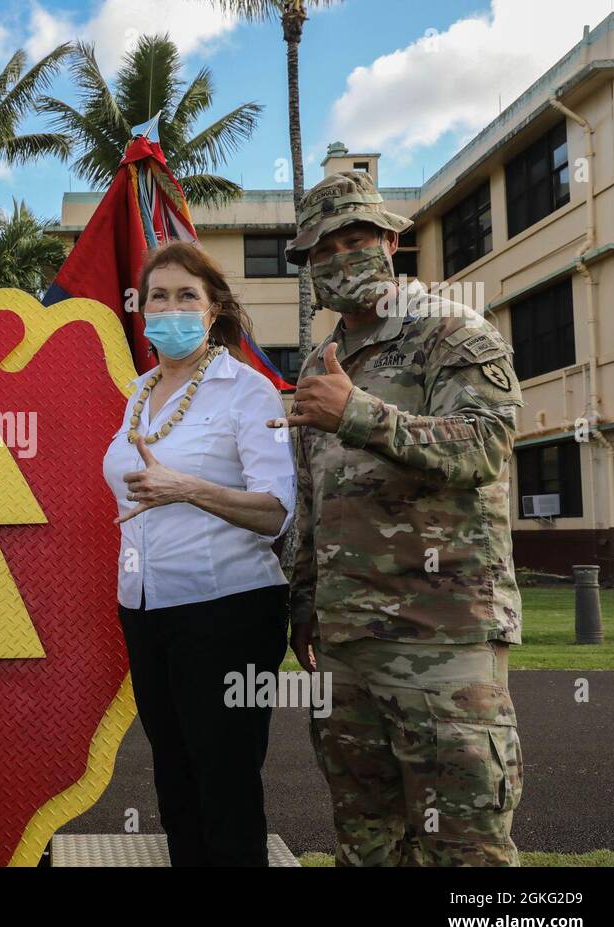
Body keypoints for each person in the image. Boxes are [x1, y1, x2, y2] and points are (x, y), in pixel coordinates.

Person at [272, 170, 525, 866]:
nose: (337, 258)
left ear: (389, 240)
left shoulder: (452, 330)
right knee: (367, 844)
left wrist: (356, 413)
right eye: (319, 251)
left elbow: (484, 445)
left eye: (353, 239)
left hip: (441, 646)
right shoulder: (321, 364)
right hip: (348, 649)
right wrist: (304, 605)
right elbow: (314, 495)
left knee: (464, 851)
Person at [102, 240, 295, 866]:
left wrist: (185, 488)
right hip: (147, 609)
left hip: (229, 613)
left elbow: (275, 510)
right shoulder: (137, 392)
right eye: (159, 295)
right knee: (174, 779)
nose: (171, 306)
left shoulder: (248, 390)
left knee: (226, 781)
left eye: (188, 295)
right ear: (143, 309)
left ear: (213, 311)